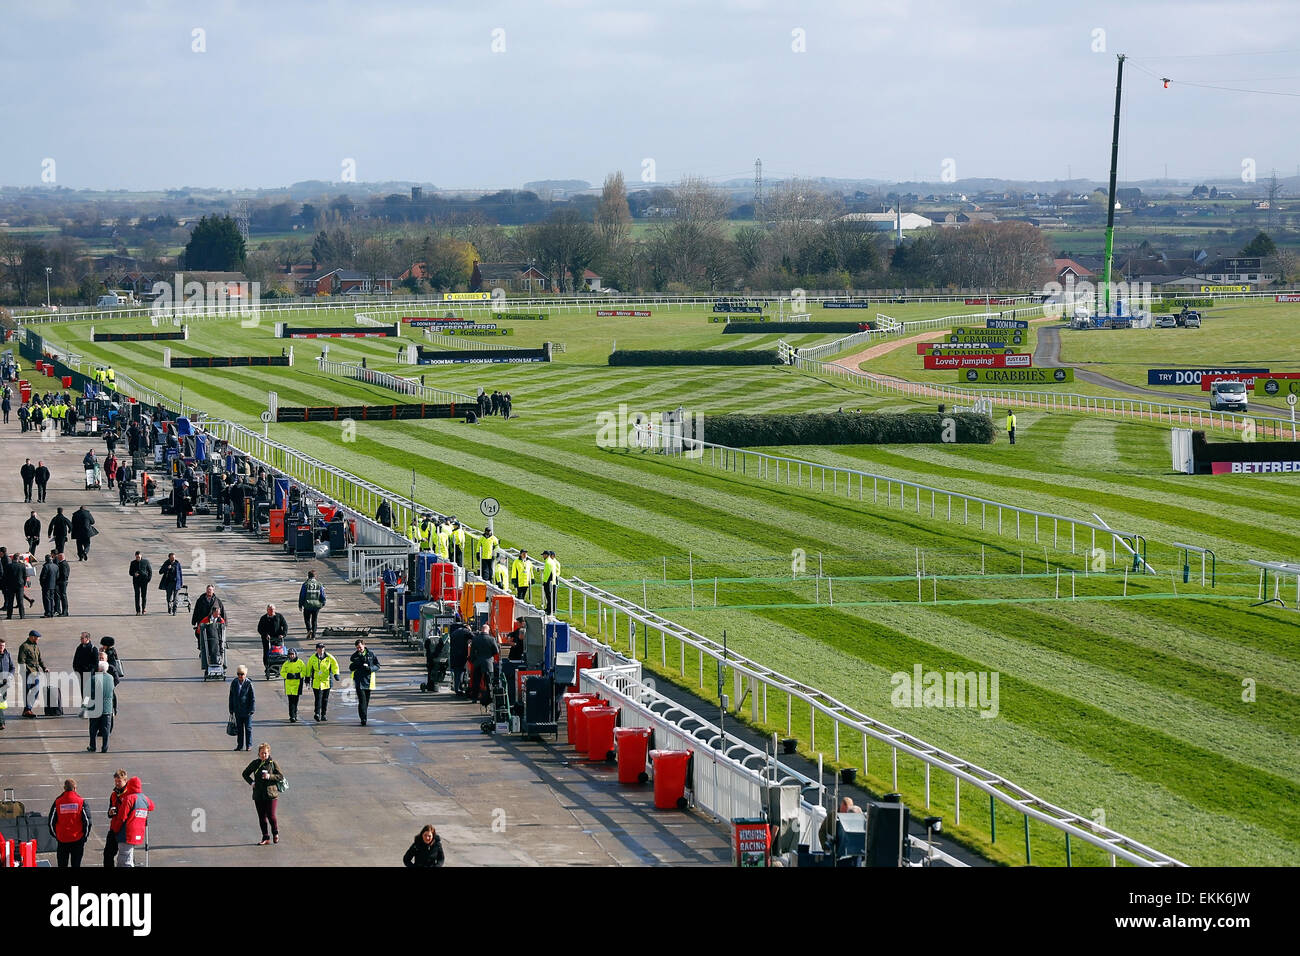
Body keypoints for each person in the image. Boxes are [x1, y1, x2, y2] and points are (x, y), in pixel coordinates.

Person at [241, 743, 285, 846]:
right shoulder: (255, 763)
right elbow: (245, 774)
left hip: (271, 794)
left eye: (265, 753)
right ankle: (265, 837)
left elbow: (280, 776)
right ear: (259, 753)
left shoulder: (273, 763)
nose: (263, 755)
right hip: (258, 794)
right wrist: (252, 783)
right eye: (261, 753)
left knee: (271, 815)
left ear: (269, 753)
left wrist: (269, 776)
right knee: (262, 817)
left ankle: (275, 832)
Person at [109, 776, 153, 867]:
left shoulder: (129, 798)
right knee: (129, 857)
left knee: (124, 859)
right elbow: (151, 806)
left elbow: (122, 817)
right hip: (139, 832)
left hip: (127, 833)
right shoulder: (145, 798)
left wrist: (116, 829)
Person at [48, 779, 92, 868]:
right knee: (76, 864)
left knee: (62, 864)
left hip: (62, 840)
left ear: (64, 788)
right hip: (77, 840)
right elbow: (88, 822)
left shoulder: (58, 802)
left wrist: (57, 836)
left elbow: (51, 822)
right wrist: (84, 836)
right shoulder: (81, 802)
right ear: (75, 788)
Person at [85, 657, 116, 753]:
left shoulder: (94, 678)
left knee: (93, 729)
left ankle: (92, 746)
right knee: (106, 729)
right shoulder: (111, 678)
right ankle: (105, 747)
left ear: (99, 669)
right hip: (107, 708)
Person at [348, 638, 380, 727]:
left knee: (366, 701)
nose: (359, 649)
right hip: (359, 681)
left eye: (360, 647)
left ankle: (363, 714)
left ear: (364, 645)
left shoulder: (371, 654)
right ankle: (363, 718)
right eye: (357, 648)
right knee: (362, 700)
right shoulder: (354, 656)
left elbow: (377, 665)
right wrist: (357, 664)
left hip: (369, 681)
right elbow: (351, 667)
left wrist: (370, 668)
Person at [305, 642, 340, 722]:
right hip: (316, 681)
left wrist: (336, 674)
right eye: (319, 648)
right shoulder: (312, 658)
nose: (321, 650)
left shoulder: (329, 657)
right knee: (318, 698)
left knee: (325, 699)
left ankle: (323, 714)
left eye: (322, 648)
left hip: (326, 681)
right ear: (316, 649)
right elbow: (308, 668)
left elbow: (335, 665)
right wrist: (307, 678)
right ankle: (317, 713)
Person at [17, 630, 46, 717]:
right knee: (27, 692)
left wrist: (44, 668)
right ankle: (27, 710)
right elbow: (21, 661)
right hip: (28, 673)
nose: (38, 639)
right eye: (37, 638)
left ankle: (27, 709)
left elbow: (39, 659)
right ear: (32, 637)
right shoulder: (24, 646)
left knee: (36, 690)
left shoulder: (35, 646)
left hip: (35, 672)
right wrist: (24, 672)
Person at [468, 624, 499, 705]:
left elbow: (472, 653)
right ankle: (489, 698)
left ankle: (474, 698)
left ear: (482, 629)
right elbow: (496, 651)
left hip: (477, 663)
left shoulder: (475, 639)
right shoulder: (491, 639)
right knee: (488, 682)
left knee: (476, 681)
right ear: (488, 630)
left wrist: (474, 660)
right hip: (488, 663)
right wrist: (490, 656)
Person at [228, 664, 255, 751]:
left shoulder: (248, 683)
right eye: (238, 674)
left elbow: (252, 698)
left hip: (247, 711)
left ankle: (249, 745)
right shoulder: (234, 683)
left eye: (242, 674)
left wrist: (252, 709)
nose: (240, 676)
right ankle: (240, 745)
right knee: (239, 729)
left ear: (245, 674)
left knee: (248, 728)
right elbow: (231, 696)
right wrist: (231, 709)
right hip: (238, 710)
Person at [257, 603, 288, 668]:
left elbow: (285, 625)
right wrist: (265, 634)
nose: (272, 611)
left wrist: (283, 634)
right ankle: (267, 666)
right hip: (267, 639)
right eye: (270, 610)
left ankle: (277, 666)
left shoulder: (279, 616)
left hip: (277, 638)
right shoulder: (263, 618)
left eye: (273, 609)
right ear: (267, 610)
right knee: (267, 652)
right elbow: (259, 629)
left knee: (278, 653)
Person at [298, 569, 326, 640]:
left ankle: (309, 629)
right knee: (314, 620)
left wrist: (300, 605)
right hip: (316, 605)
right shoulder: (319, 584)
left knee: (307, 619)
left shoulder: (305, 584)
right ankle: (314, 635)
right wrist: (323, 603)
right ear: (315, 576)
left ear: (308, 576)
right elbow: (322, 595)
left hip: (307, 605)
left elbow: (302, 595)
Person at [281, 648, 307, 723]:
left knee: (296, 701)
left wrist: (297, 675)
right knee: (291, 701)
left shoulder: (300, 662)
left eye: (293, 654)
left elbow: (304, 672)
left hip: (297, 685)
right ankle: (292, 716)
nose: (291, 656)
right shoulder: (286, 663)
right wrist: (288, 675)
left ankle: (294, 714)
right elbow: (282, 672)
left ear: (295, 654)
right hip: (289, 685)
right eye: (290, 654)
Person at [448, 621, 472, 696]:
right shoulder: (466, 631)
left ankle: (457, 688)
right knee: (460, 673)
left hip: (454, 656)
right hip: (461, 656)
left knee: (456, 673)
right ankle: (458, 689)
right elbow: (474, 637)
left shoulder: (454, 632)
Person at [3, 549, 28, 620]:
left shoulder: (8, 566)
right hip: (20, 585)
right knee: (20, 601)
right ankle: (22, 615)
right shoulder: (22, 566)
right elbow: (25, 576)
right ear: (18, 559)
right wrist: (23, 583)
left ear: (12, 559)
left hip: (10, 586)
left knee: (10, 602)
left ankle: (9, 616)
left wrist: (6, 585)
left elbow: (5, 577)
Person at [71, 631, 98, 696]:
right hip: (80, 673)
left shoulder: (93, 649)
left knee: (89, 691)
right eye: (81, 638)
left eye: (82, 638)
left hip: (89, 674)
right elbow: (75, 659)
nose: (80, 639)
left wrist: (89, 670)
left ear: (87, 638)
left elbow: (95, 663)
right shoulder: (79, 648)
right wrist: (76, 669)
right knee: (82, 691)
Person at [541, 549, 561, 617]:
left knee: (549, 596)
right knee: (550, 596)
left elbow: (549, 573)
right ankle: (549, 609)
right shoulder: (551, 561)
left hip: (549, 582)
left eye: (543, 555)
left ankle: (550, 610)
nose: (543, 556)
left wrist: (545, 582)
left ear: (546, 555)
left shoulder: (548, 562)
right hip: (552, 581)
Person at [39, 553, 59, 618]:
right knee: (51, 599)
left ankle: (48, 613)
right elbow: (57, 577)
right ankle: (51, 612)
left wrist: (42, 584)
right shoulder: (56, 566)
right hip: (53, 585)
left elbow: (42, 577)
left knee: (46, 599)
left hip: (46, 586)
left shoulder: (46, 566)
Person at [0, 637, 12, 730]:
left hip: (5, 683)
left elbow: (12, 667)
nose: (2, 647)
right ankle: (1, 723)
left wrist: (10, 675)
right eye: (0, 646)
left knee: (2, 702)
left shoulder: (7, 655)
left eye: (3, 646)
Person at [55, 552, 70, 617]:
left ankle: (65, 612)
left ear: (61, 557)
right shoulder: (64, 563)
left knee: (63, 597)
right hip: (63, 582)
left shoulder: (63, 564)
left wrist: (58, 580)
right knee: (62, 596)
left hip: (62, 582)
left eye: (58, 557)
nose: (57, 558)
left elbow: (64, 575)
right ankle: (64, 611)